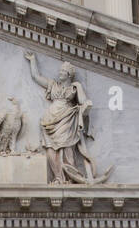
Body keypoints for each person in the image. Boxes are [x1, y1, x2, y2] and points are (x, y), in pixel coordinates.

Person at [24, 53, 100, 184]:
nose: (60, 73)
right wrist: (32, 61)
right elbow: (36, 77)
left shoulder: (74, 87)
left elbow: (83, 101)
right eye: (60, 71)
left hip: (67, 119)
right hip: (49, 122)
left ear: (69, 75)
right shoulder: (53, 85)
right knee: (50, 150)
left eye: (63, 72)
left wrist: (86, 104)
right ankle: (58, 177)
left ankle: (70, 176)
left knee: (67, 150)